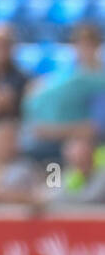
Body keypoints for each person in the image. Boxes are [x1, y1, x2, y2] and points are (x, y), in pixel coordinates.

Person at [22, 22, 105, 163]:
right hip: (48, 138)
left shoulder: (99, 80)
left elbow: (96, 127)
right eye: (78, 44)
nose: (83, 49)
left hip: (82, 143)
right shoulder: (63, 75)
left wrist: (50, 131)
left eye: (88, 44)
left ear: (97, 45)